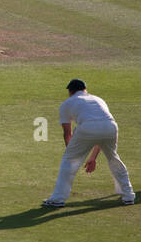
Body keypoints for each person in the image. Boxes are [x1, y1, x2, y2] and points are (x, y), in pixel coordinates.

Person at [41, 79, 135, 208]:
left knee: (68, 161)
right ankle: (128, 195)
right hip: (111, 126)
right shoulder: (98, 99)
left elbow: (67, 133)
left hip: (88, 128)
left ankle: (57, 199)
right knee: (113, 157)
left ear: (70, 91)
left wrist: (71, 154)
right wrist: (93, 157)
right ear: (85, 90)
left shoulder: (67, 103)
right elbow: (100, 132)